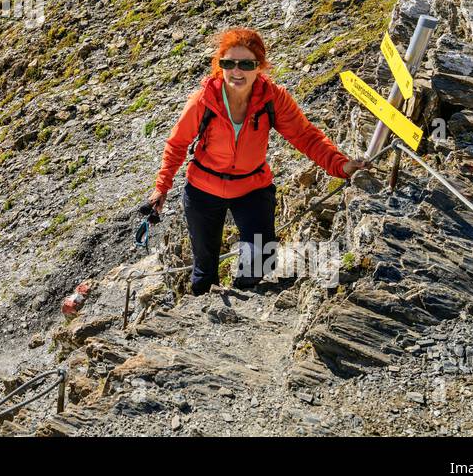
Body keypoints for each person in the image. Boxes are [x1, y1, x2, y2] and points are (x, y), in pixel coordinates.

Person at [146, 27, 367, 294]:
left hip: (252, 188)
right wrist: (162, 187)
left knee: (261, 261)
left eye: (246, 64)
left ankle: (240, 298)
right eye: (228, 63)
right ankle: (206, 316)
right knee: (204, 272)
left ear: (259, 66)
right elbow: (177, 144)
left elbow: (305, 136)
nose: (236, 71)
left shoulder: (272, 98)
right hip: (203, 190)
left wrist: (340, 166)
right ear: (219, 65)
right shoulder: (204, 100)